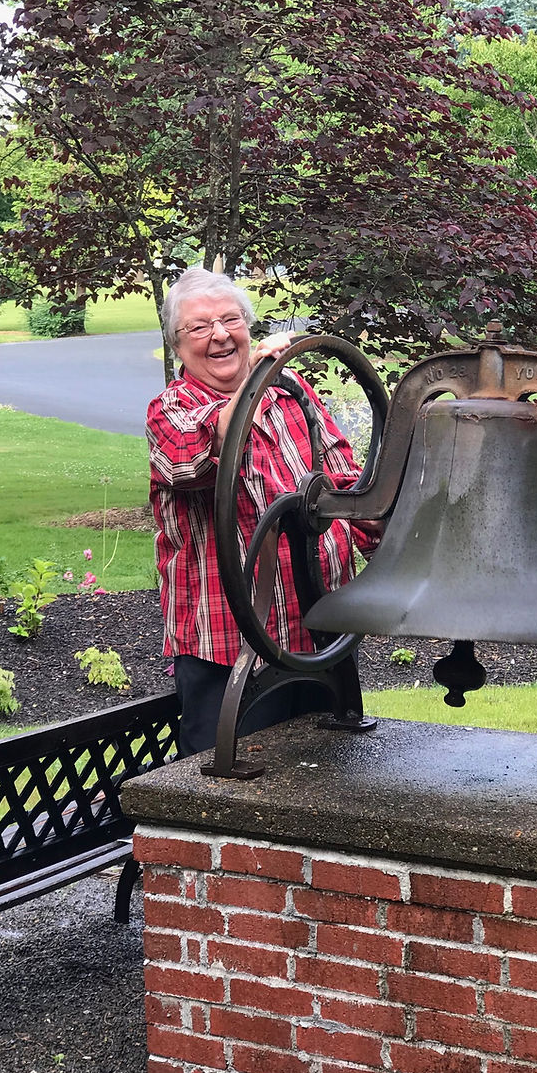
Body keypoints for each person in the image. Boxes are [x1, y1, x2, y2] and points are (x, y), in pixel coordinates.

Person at [146, 268, 379, 756]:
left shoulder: (293, 394)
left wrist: (377, 521)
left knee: (331, 777)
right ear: (176, 345)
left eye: (231, 319)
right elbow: (197, 456)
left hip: (321, 634)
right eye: (199, 327)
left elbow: (346, 484)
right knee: (225, 796)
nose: (220, 335)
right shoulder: (170, 411)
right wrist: (257, 376)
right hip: (230, 649)